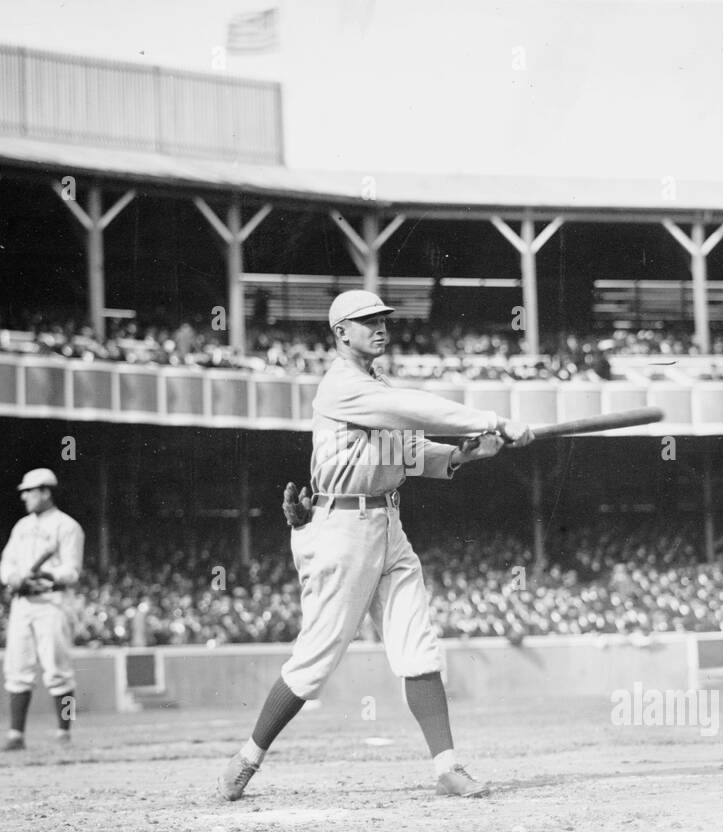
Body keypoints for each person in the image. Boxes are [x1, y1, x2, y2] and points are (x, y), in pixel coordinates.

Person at [217, 290, 533, 801]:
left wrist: (466, 454)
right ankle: (247, 759)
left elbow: (406, 450)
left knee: (418, 647)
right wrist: (491, 420)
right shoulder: (343, 384)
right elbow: (413, 409)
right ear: (341, 332)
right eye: (367, 321)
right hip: (341, 526)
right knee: (315, 661)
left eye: (383, 318)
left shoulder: (374, 386)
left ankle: (448, 767)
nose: (380, 326)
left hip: (387, 523)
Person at [0, 468, 85, 750]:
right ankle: (15, 735)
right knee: (17, 668)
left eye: (30, 491)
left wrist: (47, 575)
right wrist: (12, 577)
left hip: (52, 601)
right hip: (23, 602)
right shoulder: (21, 526)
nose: (24, 496)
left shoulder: (67, 526)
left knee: (58, 670)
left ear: (46, 492)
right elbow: (6, 563)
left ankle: (64, 733)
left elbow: (72, 571)